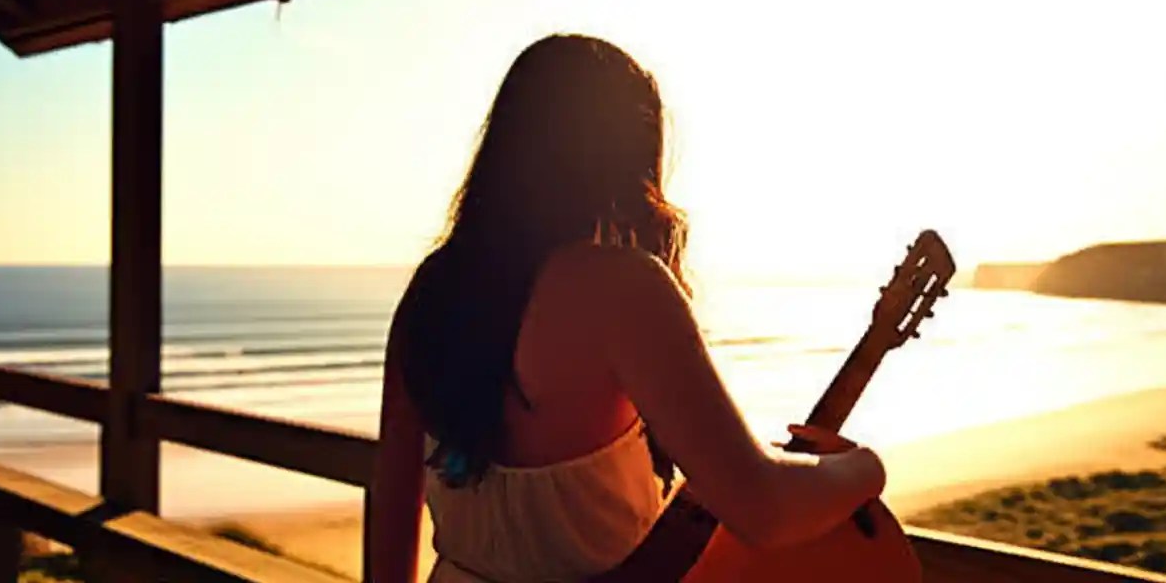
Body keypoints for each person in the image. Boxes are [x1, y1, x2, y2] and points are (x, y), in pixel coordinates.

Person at [371, 34, 886, 582]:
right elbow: (765, 508)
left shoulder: (434, 288)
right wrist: (863, 468)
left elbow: (393, 506)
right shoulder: (620, 287)